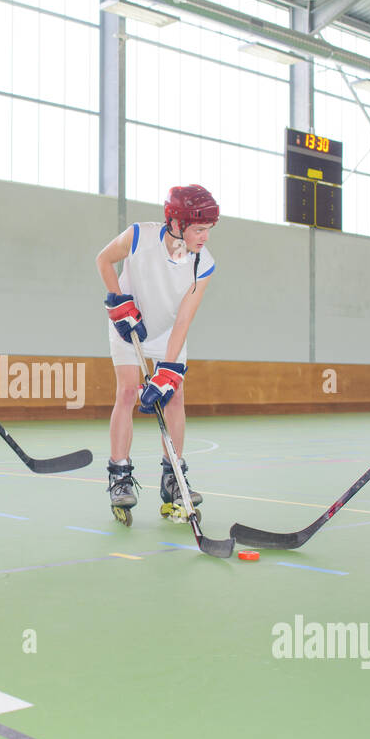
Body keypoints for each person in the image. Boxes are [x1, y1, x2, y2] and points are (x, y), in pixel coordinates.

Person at [95, 184, 218, 525]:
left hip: (167, 333)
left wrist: (168, 369)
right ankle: (119, 474)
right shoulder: (139, 236)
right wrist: (118, 300)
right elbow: (103, 260)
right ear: (176, 223)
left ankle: (172, 478)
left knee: (174, 396)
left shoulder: (202, 264)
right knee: (127, 391)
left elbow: (183, 321)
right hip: (128, 323)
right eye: (198, 229)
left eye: (208, 229)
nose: (204, 236)